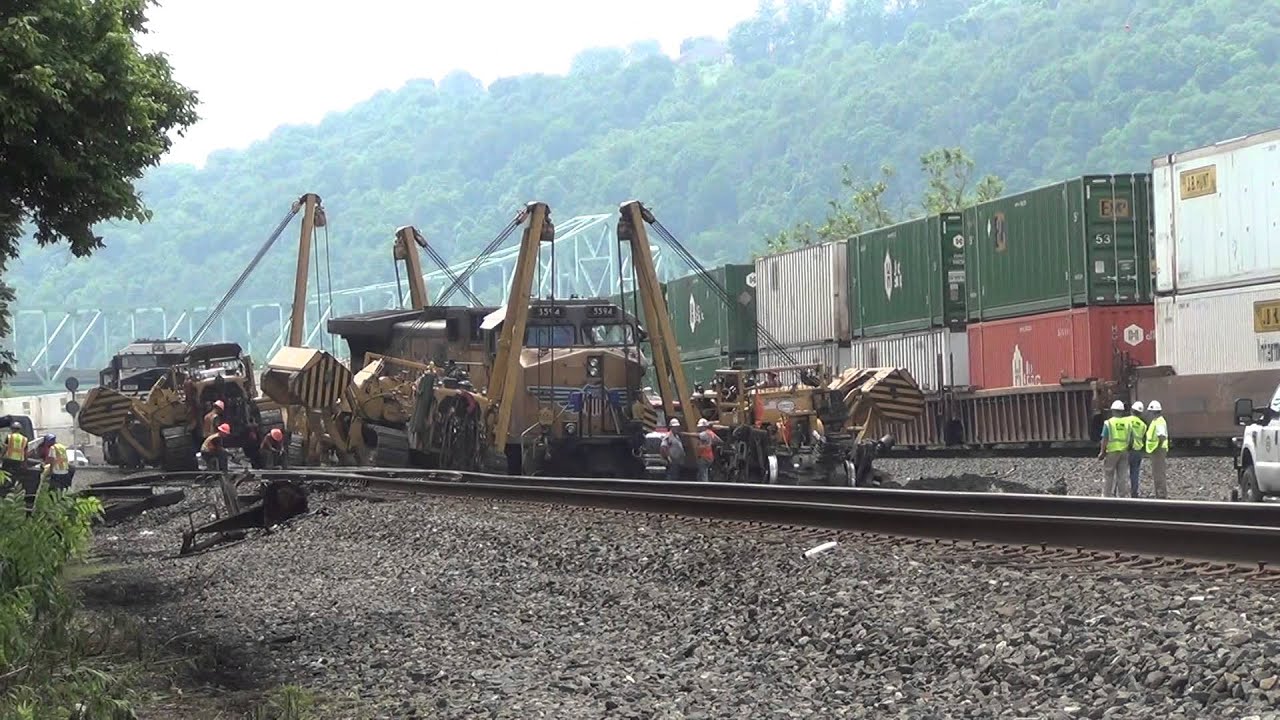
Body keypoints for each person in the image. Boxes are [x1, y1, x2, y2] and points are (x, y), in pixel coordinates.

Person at [1098, 400, 1130, 498]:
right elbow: (1130, 437)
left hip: (1112, 452)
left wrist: (1102, 452)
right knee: (1122, 476)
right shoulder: (1127, 423)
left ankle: (1106, 496)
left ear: (1112, 410)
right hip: (1124, 451)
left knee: (1108, 475)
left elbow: (1105, 439)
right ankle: (1122, 497)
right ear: (1122, 411)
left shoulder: (1109, 423)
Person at [1144, 400, 1170, 499]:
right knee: (1156, 473)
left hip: (1158, 451)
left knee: (1159, 474)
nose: (1149, 414)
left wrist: (1157, 447)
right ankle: (1159, 494)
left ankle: (1161, 496)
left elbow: (1161, 436)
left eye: (1150, 412)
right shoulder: (1156, 421)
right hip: (1156, 450)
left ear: (1153, 411)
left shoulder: (1159, 422)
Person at [1127, 400, 1147, 498]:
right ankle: (1134, 493)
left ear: (1131, 410)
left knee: (1121, 472)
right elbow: (1143, 437)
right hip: (1138, 451)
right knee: (1135, 472)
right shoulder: (1143, 425)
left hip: (1127, 450)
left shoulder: (1126, 420)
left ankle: (1120, 492)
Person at [695, 418, 722, 482]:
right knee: (701, 473)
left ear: (704, 427)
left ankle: (705, 486)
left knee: (703, 473)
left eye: (700, 427)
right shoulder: (711, 433)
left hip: (704, 456)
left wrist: (684, 434)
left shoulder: (705, 433)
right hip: (709, 456)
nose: (699, 428)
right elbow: (719, 441)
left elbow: (696, 435)